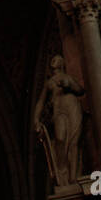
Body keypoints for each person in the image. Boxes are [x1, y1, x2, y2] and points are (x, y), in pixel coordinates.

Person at [33, 54, 85, 185]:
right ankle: (62, 174)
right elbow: (41, 101)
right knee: (60, 139)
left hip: (73, 109)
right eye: (52, 59)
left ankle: (73, 177)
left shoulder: (68, 77)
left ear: (62, 63)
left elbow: (80, 90)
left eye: (56, 59)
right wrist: (36, 119)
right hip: (58, 112)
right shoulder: (49, 83)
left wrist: (69, 86)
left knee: (74, 142)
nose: (53, 60)